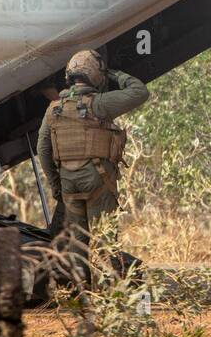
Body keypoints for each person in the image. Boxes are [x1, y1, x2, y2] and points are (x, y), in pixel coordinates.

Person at [37, 49, 149, 246]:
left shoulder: (53, 108)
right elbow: (139, 92)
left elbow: (43, 150)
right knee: (104, 242)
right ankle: (109, 276)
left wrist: (56, 185)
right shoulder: (99, 103)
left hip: (68, 183)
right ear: (96, 75)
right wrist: (114, 74)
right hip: (98, 177)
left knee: (77, 243)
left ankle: (79, 278)